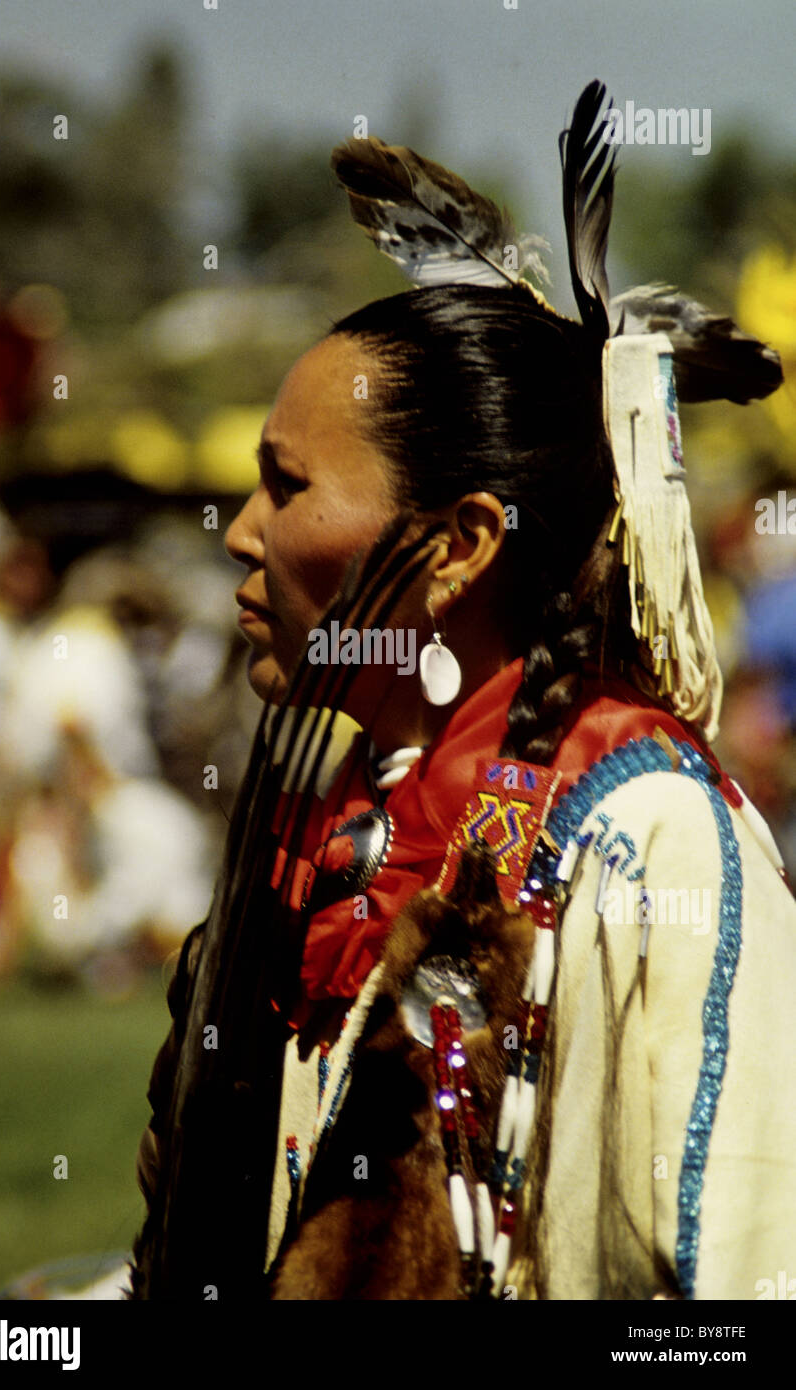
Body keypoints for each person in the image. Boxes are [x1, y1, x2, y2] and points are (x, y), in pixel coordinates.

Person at [129, 83, 796, 1301]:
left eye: (287, 486)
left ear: (460, 545)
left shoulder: (647, 838)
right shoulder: (335, 818)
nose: (240, 534)